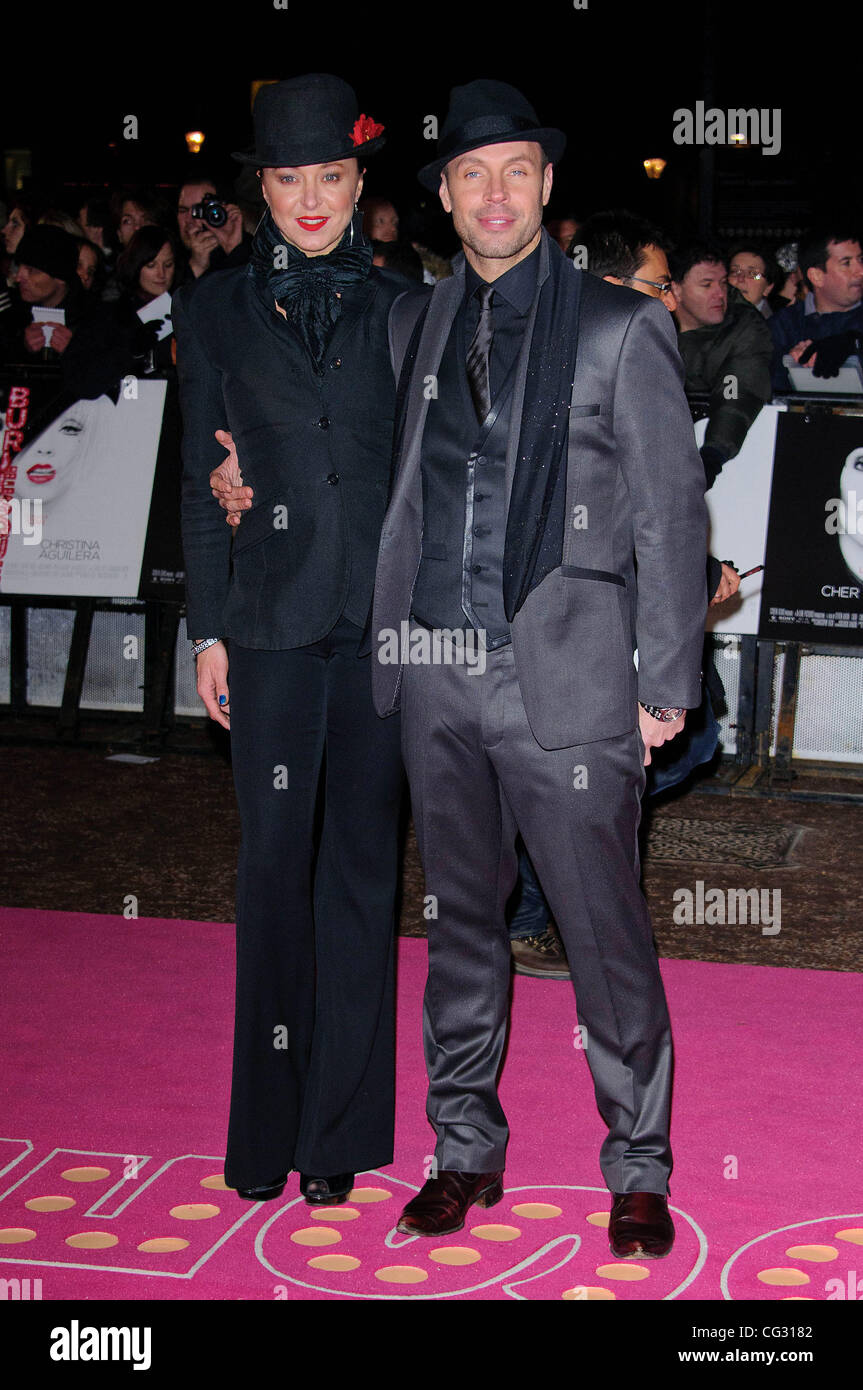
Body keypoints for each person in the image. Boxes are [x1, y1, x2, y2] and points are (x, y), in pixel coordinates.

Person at [371, 80, 708, 1258]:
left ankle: (638, 1160)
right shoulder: (414, 323)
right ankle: (462, 1146)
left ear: (546, 185)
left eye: (514, 169)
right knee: (459, 926)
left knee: (600, 930)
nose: (494, 192)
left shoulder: (620, 325)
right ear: (447, 199)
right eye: (471, 174)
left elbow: (670, 515)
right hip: (436, 670)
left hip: (568, 679)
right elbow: (398, 491)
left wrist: (663, 678)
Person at [173, 74, 409, 1210]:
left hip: (378, 631)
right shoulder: (210, 308)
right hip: (265, 627)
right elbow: (192, 476)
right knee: (272, 874)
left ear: (360, 183)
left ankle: (338, 1137)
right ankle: (264, 1129)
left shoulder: (411, 302)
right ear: (257, 189)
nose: (309, 199)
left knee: (360, 879)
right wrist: (207, 627)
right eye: (286, 179)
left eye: (330, 176)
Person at [669, 241, 773, 487]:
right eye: (707, 285)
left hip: (727, 465)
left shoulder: (745, 326)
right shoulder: (649, 319)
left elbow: (738, 392)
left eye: (723, 283)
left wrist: (712, 456)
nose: (720, 293)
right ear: (676, 289)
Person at [62, 225, 182, 402]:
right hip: (124, 415)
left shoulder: (186, 310)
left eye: (168, 265)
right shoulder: (108, 314)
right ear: (136, 266)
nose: (161, 274)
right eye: (151, 265)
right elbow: (80, 381)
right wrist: (129, 350)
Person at [768, 227, 863, 390]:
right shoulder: (783, 325)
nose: (860, 272)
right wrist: (792, 366)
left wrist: (855, 345)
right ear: (816, 276)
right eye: (846, 263)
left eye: (861, 260)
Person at [0, 226, 90, 367]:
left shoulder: (93, 320)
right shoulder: (10, 314)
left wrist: (73, 353)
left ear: (60, 278)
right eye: (19, 266)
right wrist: (21, 349)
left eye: (32, 270)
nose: (19, 277)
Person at [176, 178, 220, 280]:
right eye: (183, 210)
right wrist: (196, 266)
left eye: (199, 210)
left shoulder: (242, 254)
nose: (190, 219)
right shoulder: (165, 259)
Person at [727, 242, 777, 318]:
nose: (741, 278)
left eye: (753, 274)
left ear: (768, 288)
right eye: (735, 271)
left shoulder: (775, 326)